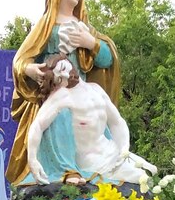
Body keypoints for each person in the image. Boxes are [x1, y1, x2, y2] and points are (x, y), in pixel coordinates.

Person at [8, 0, 121, 186]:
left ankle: (108, 166)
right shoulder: (45, 26)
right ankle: (64, 170)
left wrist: (91, 43)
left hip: (82, 93)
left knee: (100, 128)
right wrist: (31, 69)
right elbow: (20, 60)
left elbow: (107, 60)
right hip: (55, 94)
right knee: (59, 117)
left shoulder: (84, 26)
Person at [25, 58, 153, 185]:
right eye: (59, 79)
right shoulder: (63, 96)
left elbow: (117, 122)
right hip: (93, 161)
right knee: (143, 178)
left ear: (70, 63)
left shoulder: (96, 89)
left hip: (113, 152)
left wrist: (123, 149)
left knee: (151, 171)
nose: (65, 75)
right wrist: (32, 159)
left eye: (64, 68)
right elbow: (38, 125)